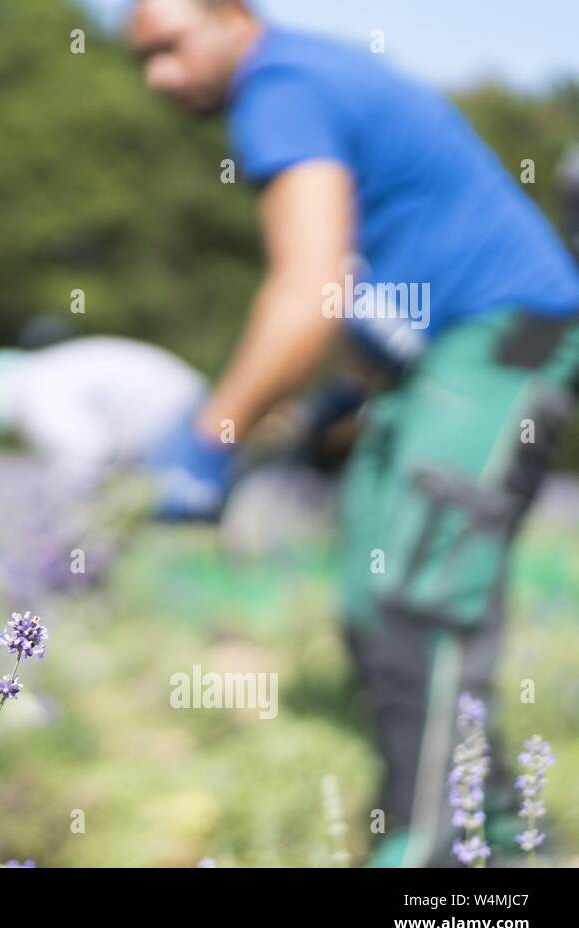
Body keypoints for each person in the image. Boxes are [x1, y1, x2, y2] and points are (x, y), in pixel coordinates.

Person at [129, 0, 579, 866]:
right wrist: (347, 396)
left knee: (422, 588)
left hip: (508, 335)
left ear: (231, 17)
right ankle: (506, 840)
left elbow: (307, 293)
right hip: (436, 357)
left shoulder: (281, 85)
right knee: (375, 589)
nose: (160, 76)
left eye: (172, 48)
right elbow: (378, 288)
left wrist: (212, 435)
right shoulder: (309, 81)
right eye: (143, 59)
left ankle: (443, 864)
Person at [0, 335, 208, 492]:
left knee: (189, 505)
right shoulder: (48, 370)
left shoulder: (40, 392)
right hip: (183, 399)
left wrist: (58, 496)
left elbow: (91, 450)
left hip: (172, 416)